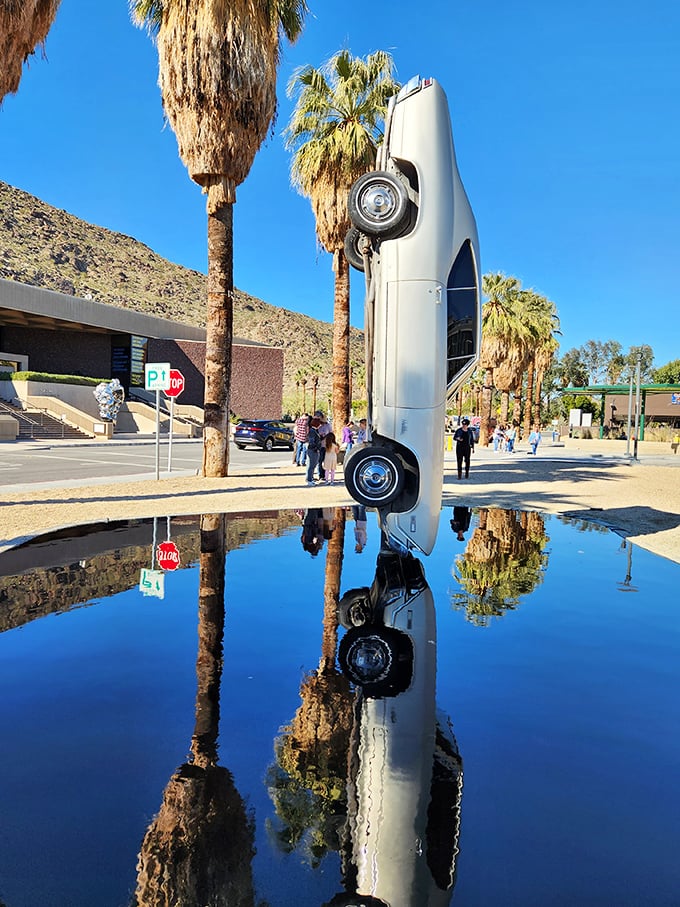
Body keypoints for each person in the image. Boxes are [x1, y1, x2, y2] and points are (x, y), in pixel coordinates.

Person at [305, 412, 323, 485]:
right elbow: (312, 441)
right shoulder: (312, 431)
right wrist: (316, 447)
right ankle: (309, 480)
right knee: (311, 465)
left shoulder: (315, 431)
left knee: (313, 465)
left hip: (314, 450)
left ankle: (311, 478)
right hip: (312, 450)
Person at [317, 412, 332, 481]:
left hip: (326, 445)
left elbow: (331, 434)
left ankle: (325, 475)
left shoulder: (328, 426)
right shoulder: (318, 426)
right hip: (320, 445)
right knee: (319, 461)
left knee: (326, 461)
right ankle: (320, 475)